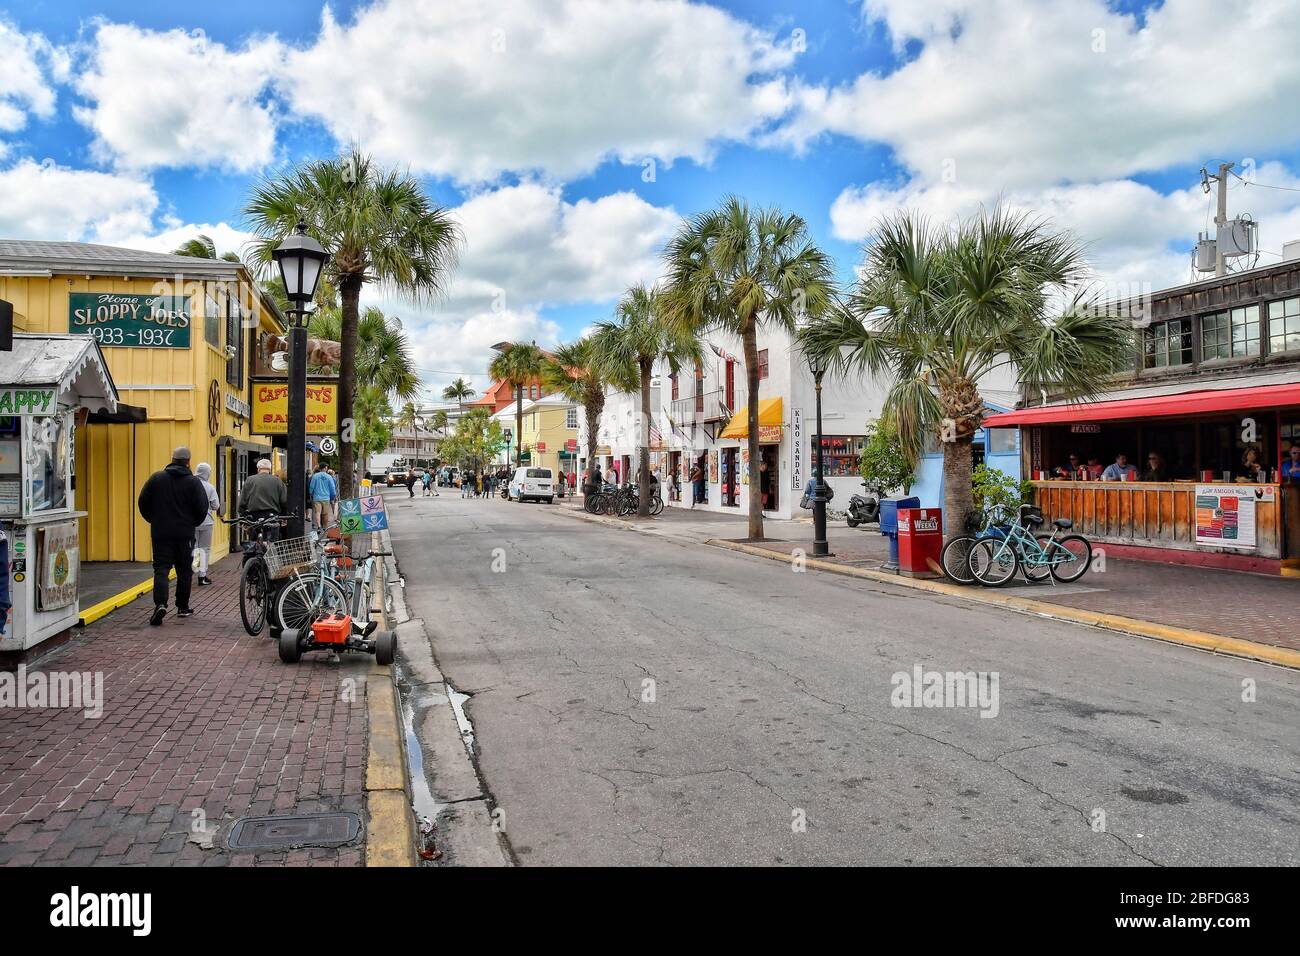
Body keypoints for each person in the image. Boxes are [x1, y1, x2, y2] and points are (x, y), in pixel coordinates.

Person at [138, 446, 210, 626]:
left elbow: (143, 502)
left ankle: (161, 604)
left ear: (172, 459)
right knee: (184, 570)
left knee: (161, 568)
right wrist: (191, 523)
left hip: (161, 532)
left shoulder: (157, 478)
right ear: (188, 461)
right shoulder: (193, 482)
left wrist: (154, 519)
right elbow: (202, 508)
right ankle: (182, 606)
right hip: (184, 534)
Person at [238, 458, 288, 541]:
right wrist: (284, 516)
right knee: (272, 543)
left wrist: (243, 517)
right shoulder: (278, 481)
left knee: (253, 544)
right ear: (270, 469)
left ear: (258, 469)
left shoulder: (249, 480)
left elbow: (242, 501)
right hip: (272, 516)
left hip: (253, 517)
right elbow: (284, 501)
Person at [193, 462, 221, 587]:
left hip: (191, 521)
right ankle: (202, 576)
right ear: (207, 473)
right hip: (206, 522)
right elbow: (216, 506)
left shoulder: (190, 484)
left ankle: (193, 570)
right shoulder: (210, 487)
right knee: (204, 548)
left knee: (194, 547)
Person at [309, 463, 335, 529]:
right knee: (325, 513)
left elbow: (312, 487)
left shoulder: (315, 476)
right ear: (325, 468)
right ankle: (325, 527)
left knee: (317, 512)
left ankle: (318, 526)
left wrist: (311, 493)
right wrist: (333, 496)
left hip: (317, 497)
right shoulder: (329, 477)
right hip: (326, 498)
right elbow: (332, 487)